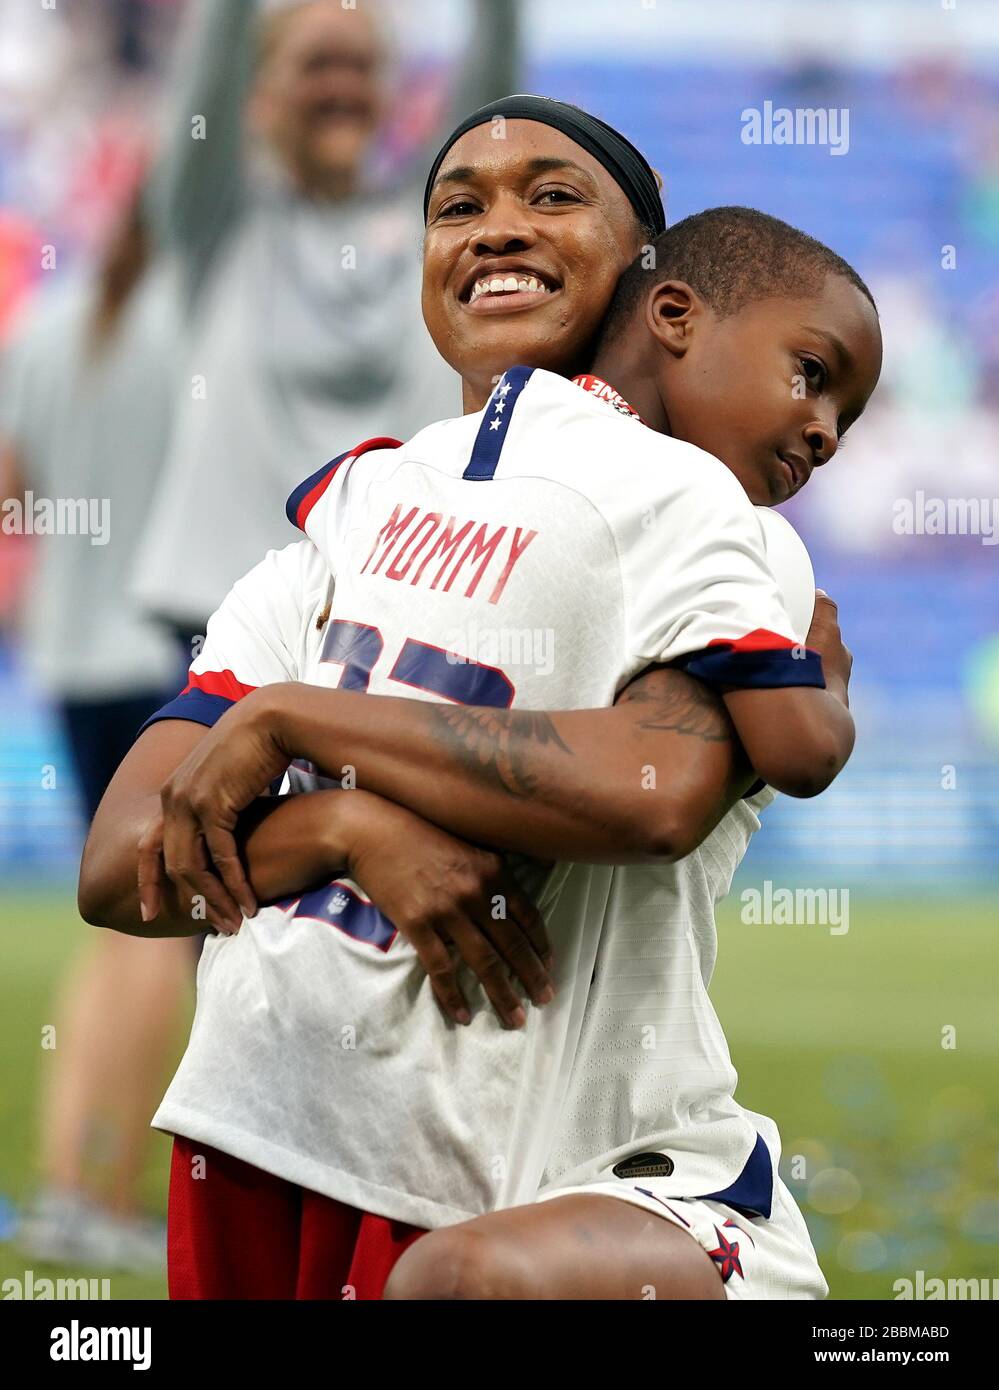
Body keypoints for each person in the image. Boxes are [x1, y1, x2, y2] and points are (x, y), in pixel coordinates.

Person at [80, 102, 871, 1300]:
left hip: (524, 1168)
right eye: (459, 206)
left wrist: (298, 721)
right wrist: (353, 827)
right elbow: (124, 864)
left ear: (652, 280)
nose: (498, 228)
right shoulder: (343, 516)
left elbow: (649, 790)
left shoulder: (695, 515)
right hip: (258, 1136)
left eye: (551, 197)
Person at [130, 0, 521, 645]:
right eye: (317, 65)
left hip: (396, 606)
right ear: (262, 92)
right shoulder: (218, 221)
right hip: (229, 613)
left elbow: (490, 98)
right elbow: (208, 81)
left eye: (361, 66)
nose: (341, 84)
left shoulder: (434, 218)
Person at [0, 191, 191, 1271]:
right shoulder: (196, 319)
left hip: (72, 660)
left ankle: (75, 1183)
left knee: (119, 925)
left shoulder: (41, 322)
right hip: (165, 654)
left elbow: (12, 492)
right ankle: (97, 1189)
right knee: (161, 927)